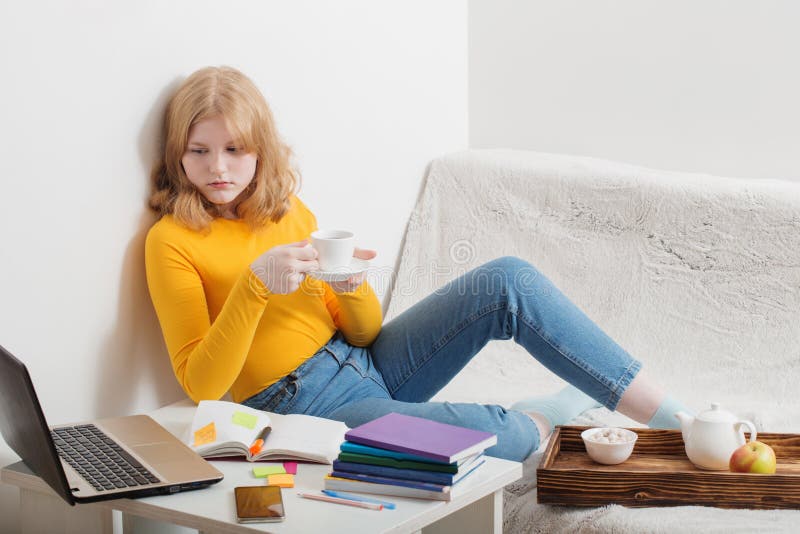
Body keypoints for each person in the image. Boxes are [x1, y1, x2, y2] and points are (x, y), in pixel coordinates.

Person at [145, 66, 691, 461]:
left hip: (365, 364)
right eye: (199, 151)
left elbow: (363, 333)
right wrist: (254, 287)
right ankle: (548, 410)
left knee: (508, 279)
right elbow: (203, 387)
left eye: (234, 150)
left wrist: (352, 286)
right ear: (178, 153)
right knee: (509, 438)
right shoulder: (171, 241)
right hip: (303, 408)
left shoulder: (288, 212)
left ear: (260, 151)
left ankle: (678, 422)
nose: (218, 167)